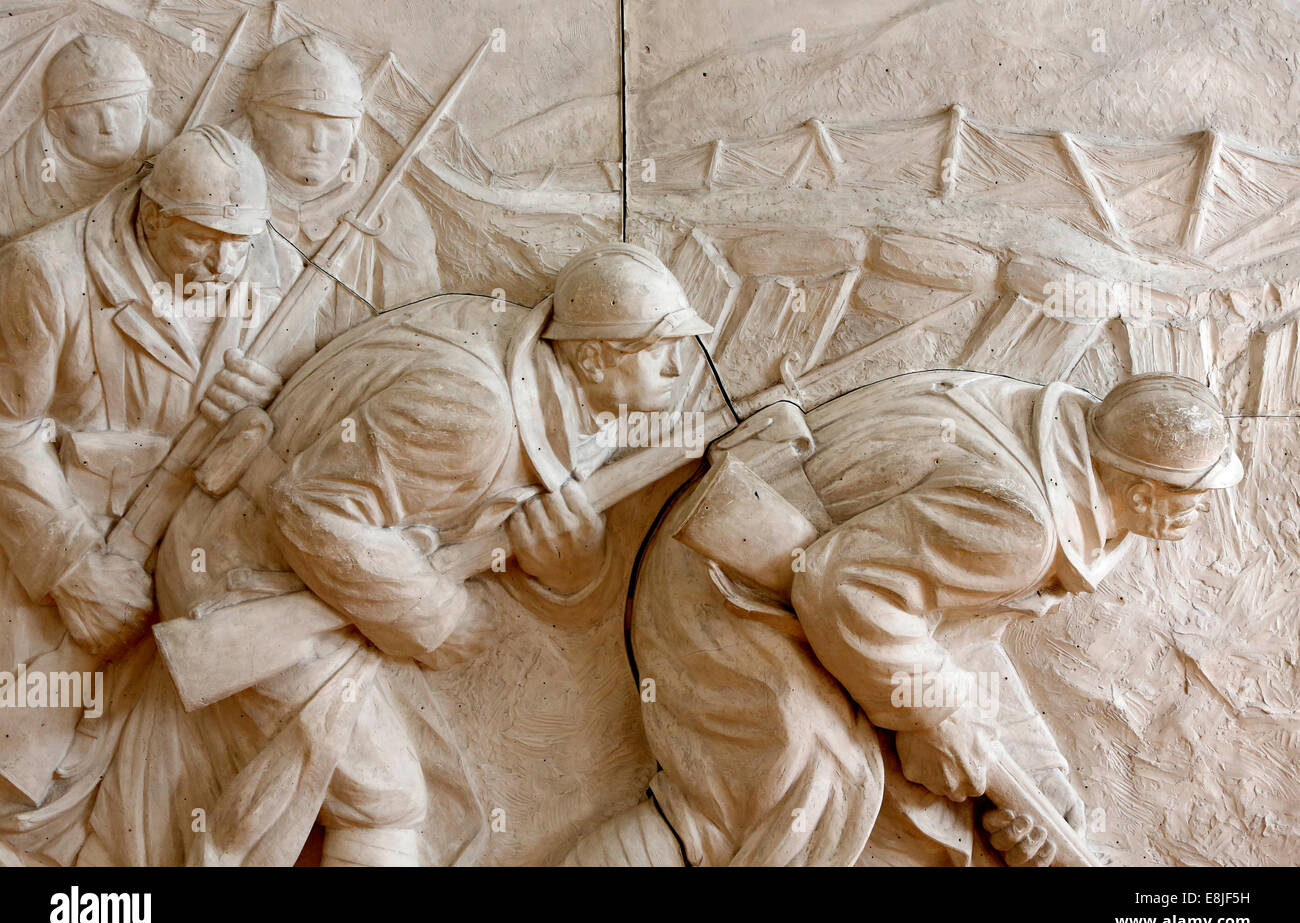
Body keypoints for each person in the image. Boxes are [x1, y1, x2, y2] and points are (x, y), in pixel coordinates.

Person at [80, 242, 712, 866]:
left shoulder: (552, 377)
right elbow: (313, 512)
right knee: (386, 803)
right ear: (596, 358)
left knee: (445, 788)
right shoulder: (476, 409)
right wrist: (439, 616)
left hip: (324, 580)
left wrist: (571, 569)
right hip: (247, 573)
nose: (679, 371)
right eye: (660, 350)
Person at [573, 369, 1243, 866]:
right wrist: (934, 716)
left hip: (800, 589)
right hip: (727, 579)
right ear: (1136, 489)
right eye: (1195, 493)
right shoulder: (1023, 524)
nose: (1204, 508)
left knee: (908, 816)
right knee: (803, 787)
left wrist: (1039, 784)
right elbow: (842, 588)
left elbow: (958, 634)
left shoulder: (1059, 458)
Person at [0, 125, 283, 856]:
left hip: (188, 549)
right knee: (26, 787)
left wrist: (268, 402)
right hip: (56, 549)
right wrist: (72, 567)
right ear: (152, 215)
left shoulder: (269, 268)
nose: (225, 263)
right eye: (202, 239)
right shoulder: (46, 272)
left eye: (240, 241)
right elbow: (6, 428)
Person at [235, 34, 441, 364]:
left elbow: (415, 339)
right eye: (297, 123)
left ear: (355, 126)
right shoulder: (215, 184)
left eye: (334, 128)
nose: (317, 144)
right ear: (259, 118)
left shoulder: (391, 211)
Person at [0, 34, 165, 240]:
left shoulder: (173, 166)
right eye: (88, 112)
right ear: (55, 123)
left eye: (122, 108)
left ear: (144, 110)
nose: (108, 126)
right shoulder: (12, 187)